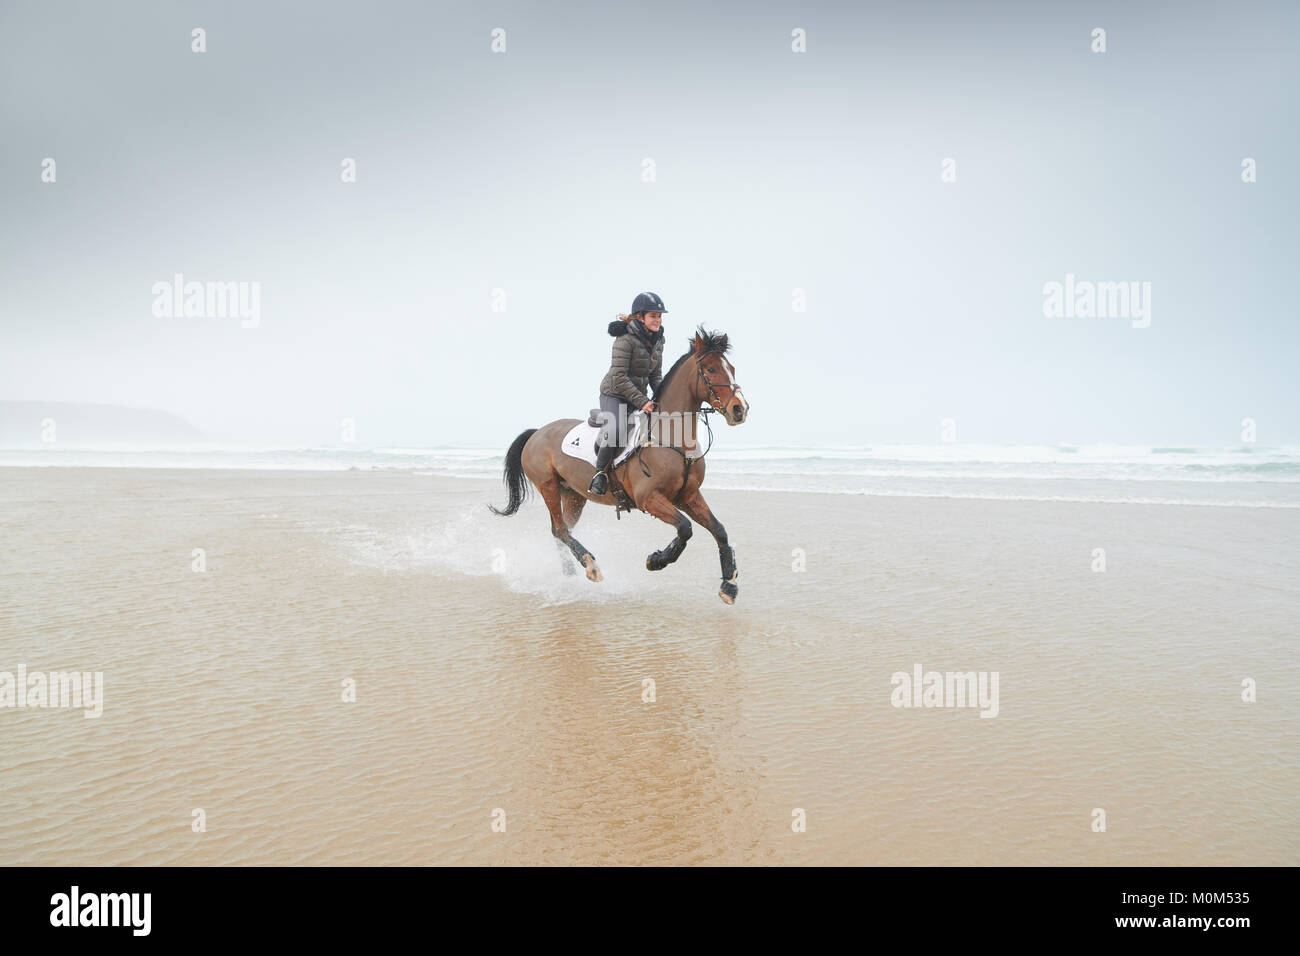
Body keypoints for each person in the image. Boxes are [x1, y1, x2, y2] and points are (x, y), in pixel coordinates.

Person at [588, 292, 667, 495]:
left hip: (637, 396)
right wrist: (643, 402)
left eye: (659, 316)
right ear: (640, 317)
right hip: (614, 393)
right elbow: (620, 377)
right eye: (653, 316)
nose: (658, 320)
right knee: (616, 429)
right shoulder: (624, 340)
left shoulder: (659, 340)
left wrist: (662, 398)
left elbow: (655, 377)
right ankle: (600, 474)